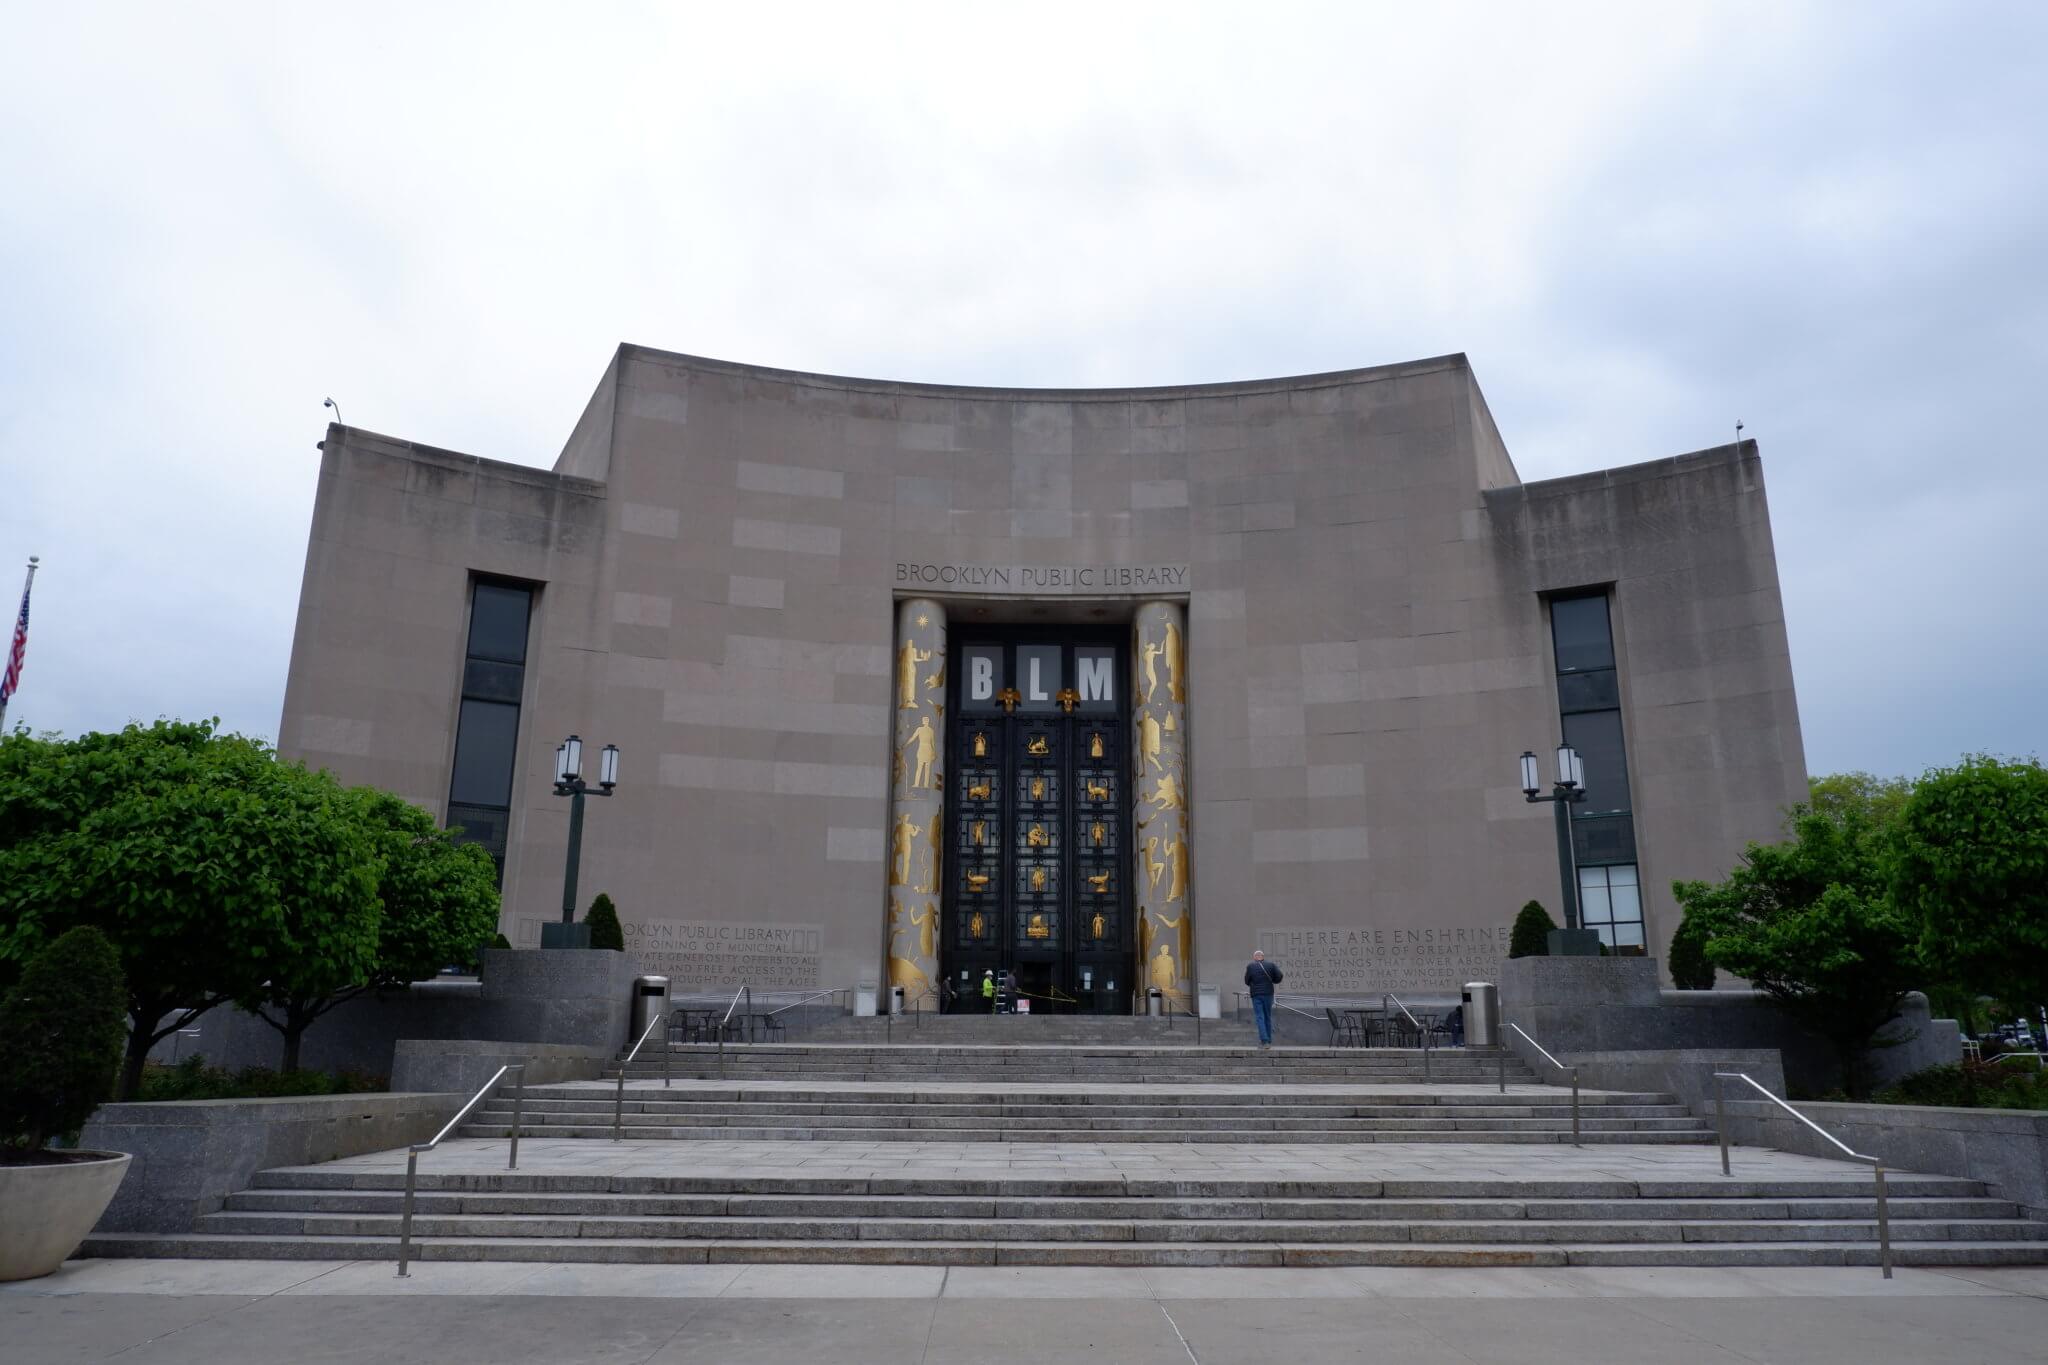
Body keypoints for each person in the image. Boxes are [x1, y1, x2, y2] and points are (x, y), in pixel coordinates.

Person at [1244, 949, 1283, 1048]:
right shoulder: (1271, 965)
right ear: (1263, 956)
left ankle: (1264, 1041)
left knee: (1260, 1017)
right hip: (1268, 994)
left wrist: (1253, 983)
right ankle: (1268, 1041)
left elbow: (1247, 981)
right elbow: (1279, 976)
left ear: (1254, 957)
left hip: (1256, 995)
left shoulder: (1250, 966)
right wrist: (1273, 981)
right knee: (1267, 1017)